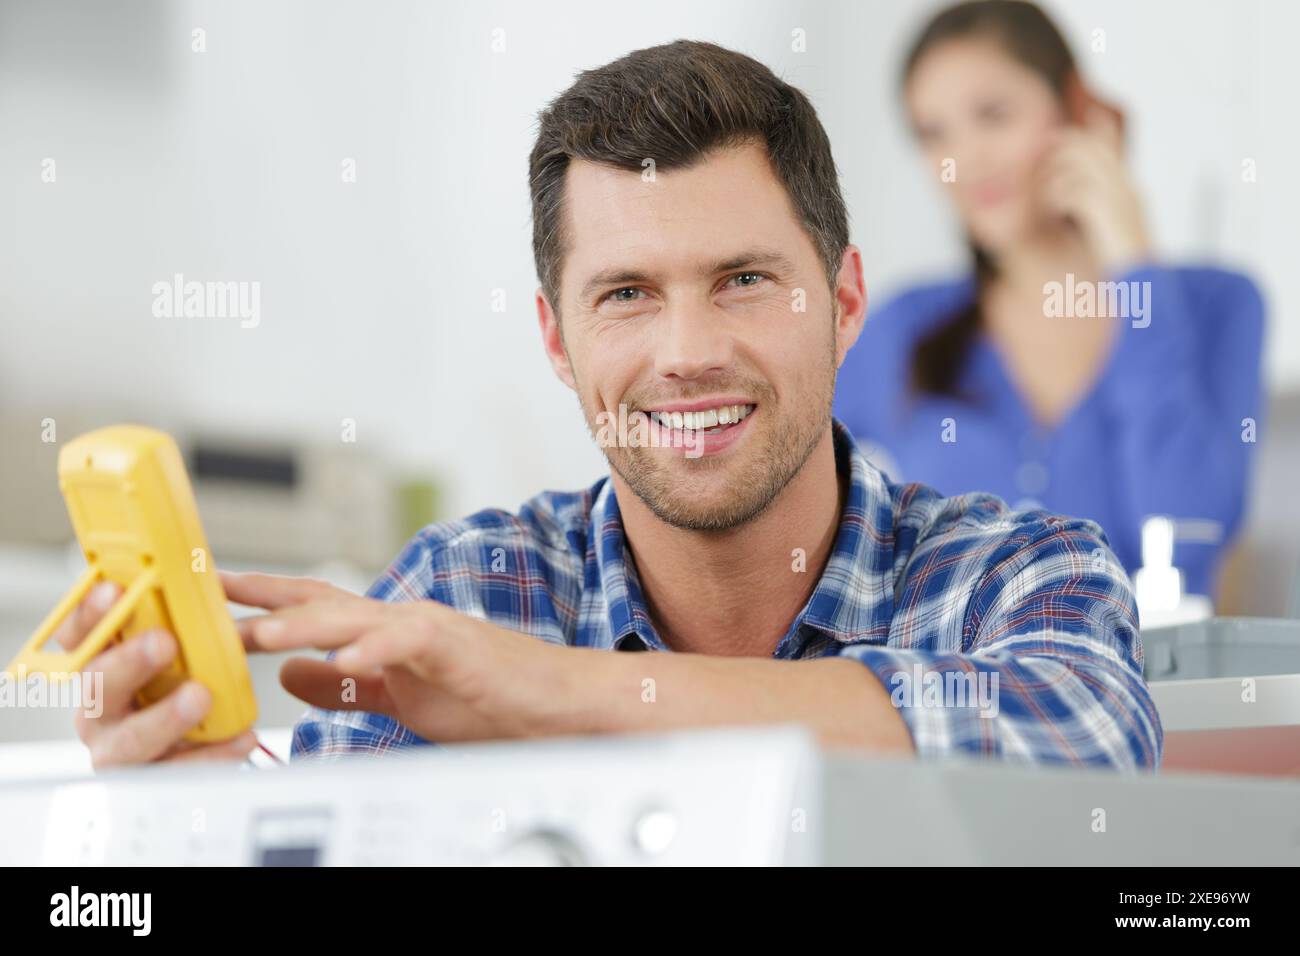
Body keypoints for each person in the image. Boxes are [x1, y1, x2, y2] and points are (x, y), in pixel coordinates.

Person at [58, 39, 1162, 770]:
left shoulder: (1017, 574)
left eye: (742, 279)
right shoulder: (460, 591)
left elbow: (1093, 737)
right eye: (627, 295)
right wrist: (206, 817)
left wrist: (550, 690)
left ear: (845, 300)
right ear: (556, 337)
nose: (688, 354)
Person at [833, 0, 1264, 599]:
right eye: (934, 134)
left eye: (994, 115)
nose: (964, 160)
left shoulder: (1218, 305)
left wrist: (1132, 264)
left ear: (1077, 109)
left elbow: (1190, 536)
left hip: (1151, 688)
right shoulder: (899, 328)